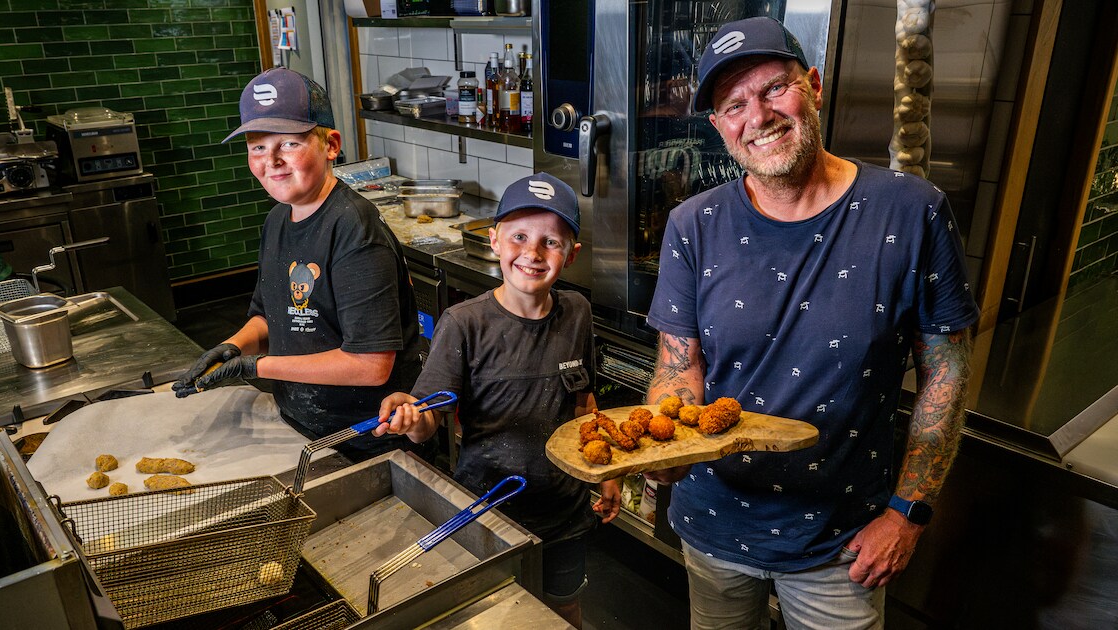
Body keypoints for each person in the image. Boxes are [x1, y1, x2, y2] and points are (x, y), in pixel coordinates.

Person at [643, 16, 979, 629]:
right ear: (718, 126)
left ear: (815, 86)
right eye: (733, 104)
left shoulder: (910, 211)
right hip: (715, 523)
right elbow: (677, 365)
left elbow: (946, 372)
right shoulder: (692, 225)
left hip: (842, 542)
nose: (758, 116)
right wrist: (665, 442)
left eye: (776, 89)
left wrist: (909, 511)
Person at [372, 173, 621, 628]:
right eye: (520, 237)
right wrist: (411, 419)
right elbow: (429, 418)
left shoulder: (577, 313)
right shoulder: (465, 323)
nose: (533, 252)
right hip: (487, 508)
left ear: (571, 256)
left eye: (551, 241)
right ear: (494, 241)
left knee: (562, 610)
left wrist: (607, 473)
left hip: (564, 511)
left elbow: (585, 402)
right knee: (496, 614)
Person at [172, 67, 426, 463]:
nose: (271, 161)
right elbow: (268, 315)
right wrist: (232, 347)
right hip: (299, 426)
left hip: (365, 440)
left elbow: (370, 365)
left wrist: (256, 367)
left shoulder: (354, 229)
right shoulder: (278, 220)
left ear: (330, 145)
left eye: (288, 143)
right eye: (257, 147)